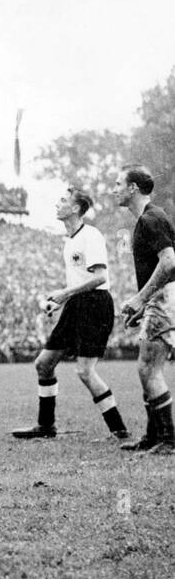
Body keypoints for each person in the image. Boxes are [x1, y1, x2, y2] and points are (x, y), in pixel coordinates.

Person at [12, 187, 129, 441]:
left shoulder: (91, 235)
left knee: (85, 371)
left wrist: (65, 293)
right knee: (43, 364)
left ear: (75, 208)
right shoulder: (70, 241)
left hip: (96, 305)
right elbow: (80, 281)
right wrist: (62, 302)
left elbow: (100, 277)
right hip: (77, 304)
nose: (57, 204)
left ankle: (119, 430)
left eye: (63, 200)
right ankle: (46, 426)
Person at [111, 165, 175, 453]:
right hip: (160, 299)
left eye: (118, 184)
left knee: (149, 368)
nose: (114, 189)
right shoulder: (147, 219)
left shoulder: (151, 218)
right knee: (146, 367)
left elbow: (169, 261)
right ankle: (154, 436)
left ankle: (168, 440)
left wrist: (141, 298)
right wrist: (143, 304)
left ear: (133, 188)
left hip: (165, 298)